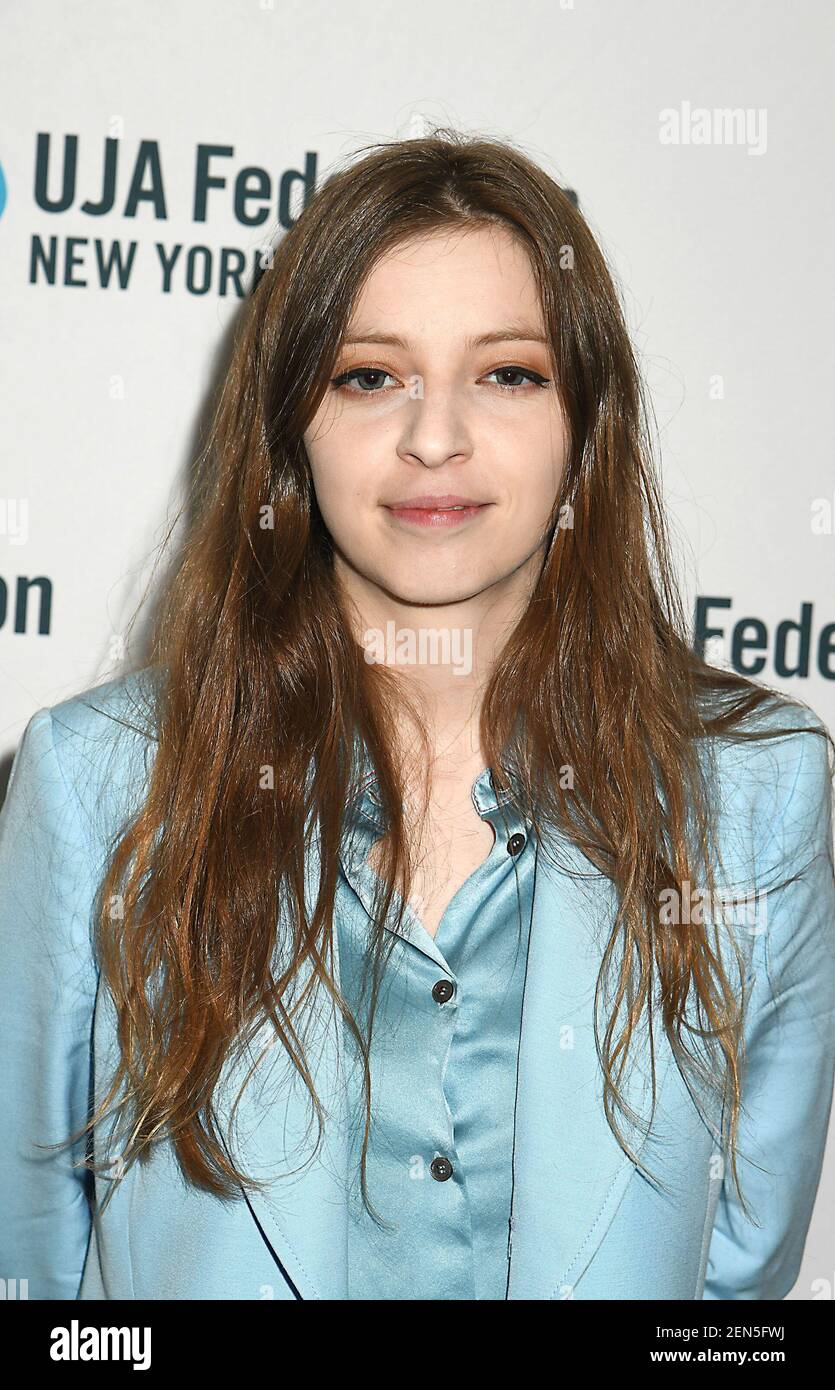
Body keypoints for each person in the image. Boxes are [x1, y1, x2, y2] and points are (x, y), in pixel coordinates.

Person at [1, 129, 834, 1301]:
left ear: (584, 427)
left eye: (507, 373)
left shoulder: (753, 794)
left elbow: (737, 1281)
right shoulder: (97, 782)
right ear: (293, 426)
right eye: (367, 375)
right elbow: (24, 1264)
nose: (432, 437)